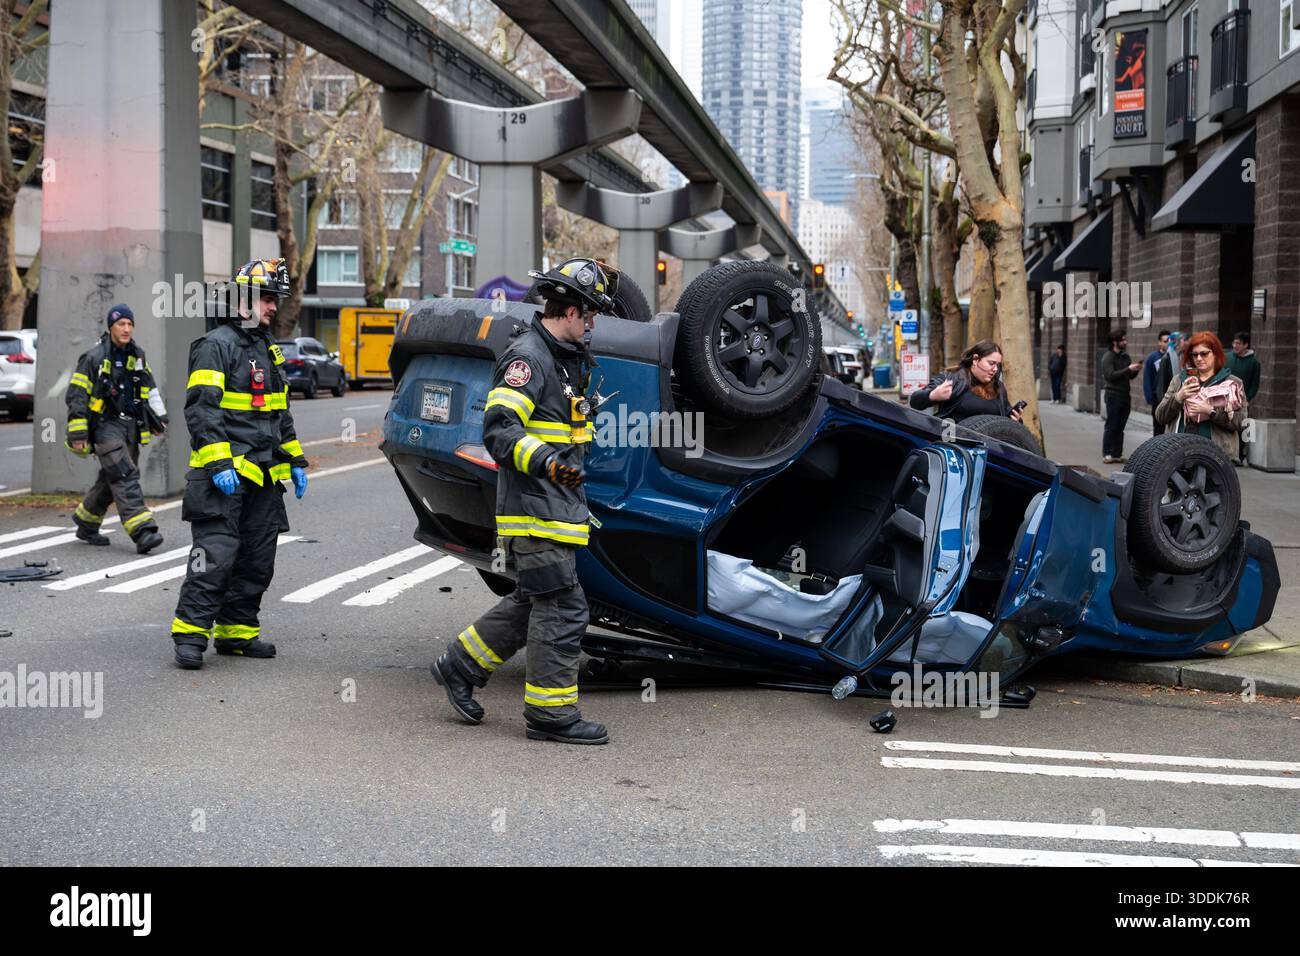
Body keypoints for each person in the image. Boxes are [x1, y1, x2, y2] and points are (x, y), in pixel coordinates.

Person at [431, 257, 611, 745]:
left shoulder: (561, 360)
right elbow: (500, 432)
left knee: (534, 600)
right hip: (535, 509)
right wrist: (549, 464)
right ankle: (549, 714)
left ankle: (459, 665)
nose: (592, 323)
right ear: (569, 311)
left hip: (555, 507)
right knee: (564, 606)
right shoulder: (528, 359)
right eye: (589, 314)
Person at [169, 259, 309, 670]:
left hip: (264, 476)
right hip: (224, 477)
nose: (272, 308)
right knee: (215, 556)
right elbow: (201, 411)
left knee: (257, 558)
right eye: (267, 299)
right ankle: (190, 635)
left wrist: (295, 459)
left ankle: (237, 633)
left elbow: (279, 413)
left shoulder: (267, 349)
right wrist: (218, 463)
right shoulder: (216, 345)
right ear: (243, 301)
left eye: (273, 300)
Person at [65, 304, 166, 554]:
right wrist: (77, 433)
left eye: (130, 324)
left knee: (112, 478)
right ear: (111, 327)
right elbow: (77, 395)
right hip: (104, 426)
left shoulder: (138, 355)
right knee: (124, 475)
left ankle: (86, 522)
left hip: (130, 428)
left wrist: (160, 418)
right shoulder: (94, 358)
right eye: (121, 324)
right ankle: (143, 532)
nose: (127, 328)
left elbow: (149, 388)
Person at [1154, 331, 1246, 458]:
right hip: (1178, 454)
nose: (1199, 358)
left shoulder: (1232, 382)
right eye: (1195, 354)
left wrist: (1210, 411)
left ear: (1215, 354)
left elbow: (1241, 422)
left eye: (1204, 353)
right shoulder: (1180, 380)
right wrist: (1179, 397)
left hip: (1216, 457)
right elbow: (1160, 416)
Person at [908, 339, 1023, 424]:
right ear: (975, 360)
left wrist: (1016, 420)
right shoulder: (952, 379)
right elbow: (915, 401)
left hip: (991, 449)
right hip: (955, 446)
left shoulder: (998, 387)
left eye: (997, 365)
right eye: (991, 363)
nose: (995, 369)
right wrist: (932, 395)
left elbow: (1006, 416)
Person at [1099, 328, 1141, 463]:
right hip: (1113, 395)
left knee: (1120, 427)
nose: (1125, 342)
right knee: (1112, 425)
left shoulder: (1125, 356)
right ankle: (1107, 453)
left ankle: (1117, 453)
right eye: (1123, 340)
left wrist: (1135, 370)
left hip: (1124, 395)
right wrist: (1127, 369)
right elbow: (1110, 376)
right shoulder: (1108, 357)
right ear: (1115, 342)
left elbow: (1129, 376)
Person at [1226, 332, 1260, 464]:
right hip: (1226, 399)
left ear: (1246, 345)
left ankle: (1240, 455)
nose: (1235, 345)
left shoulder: (1253, 363)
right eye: (1234, 343)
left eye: (1238, 343)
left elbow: (1254, 384)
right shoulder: (1227, 358)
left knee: (1242, 427)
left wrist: (1246, 399)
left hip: (1242, 401)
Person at [1142, 329, 1172, 436]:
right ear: (1159, 342)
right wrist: (1150, 398)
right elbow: (1147, 379)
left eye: (1170, 340)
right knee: (1158, 429)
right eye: (1165, 341)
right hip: (1158, 398)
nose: (1168, 343)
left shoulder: (1173, 357)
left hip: (1171, 397)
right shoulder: (1152, 358)